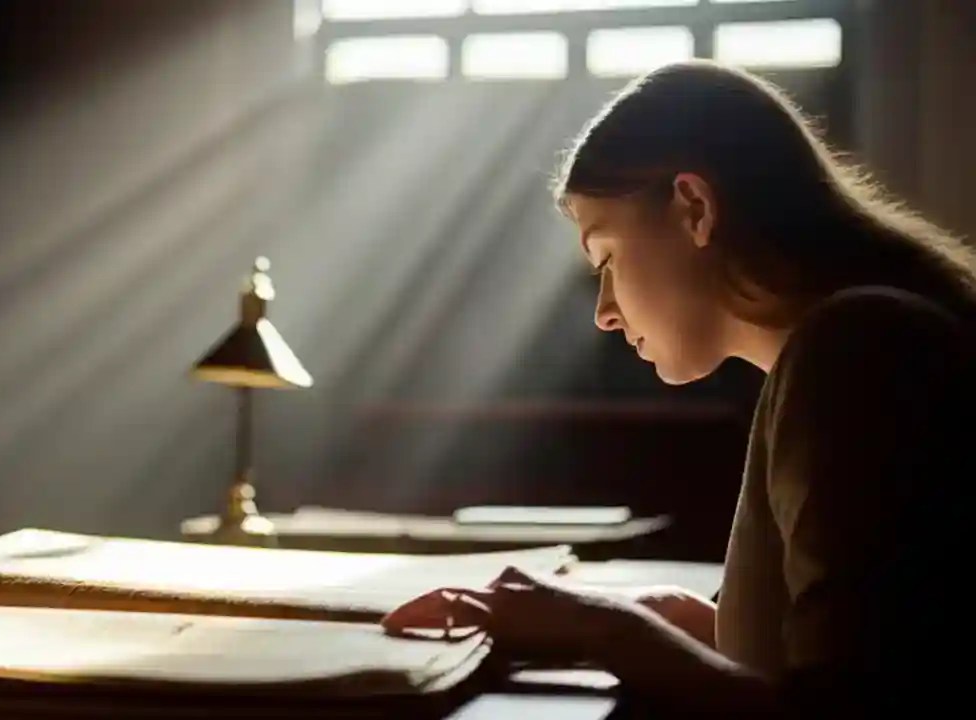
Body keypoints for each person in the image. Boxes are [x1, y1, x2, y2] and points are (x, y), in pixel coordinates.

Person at [381, 59, 976, 716]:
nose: (604, 311)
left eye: (605, 257)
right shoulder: (840, 349)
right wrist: (643, 613)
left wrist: (601, 629)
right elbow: (806, 646)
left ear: (694, 207)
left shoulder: (861, 351)